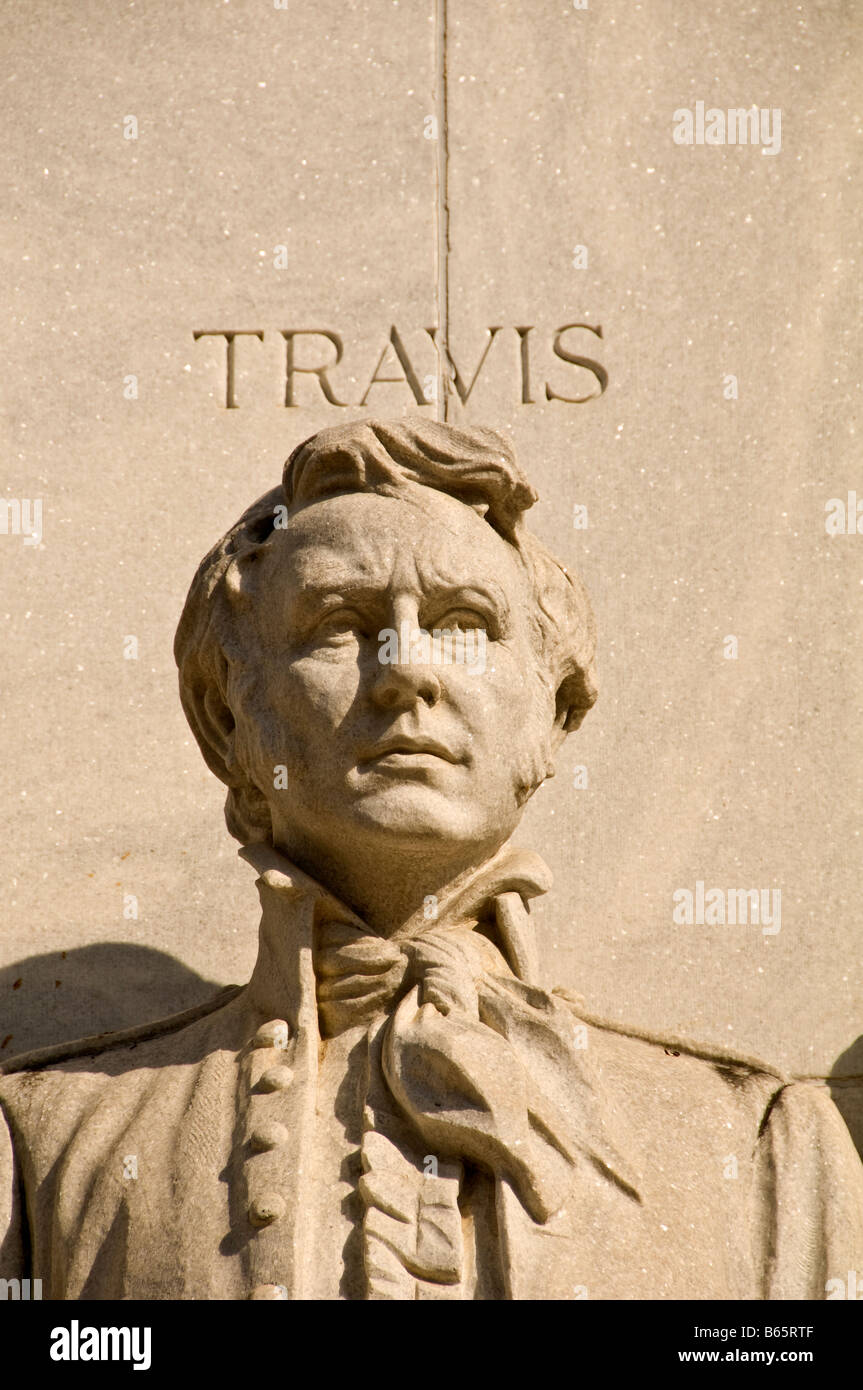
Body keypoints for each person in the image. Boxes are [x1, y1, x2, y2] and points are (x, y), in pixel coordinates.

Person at [2, 418, 861, 1300]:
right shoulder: (55, 1150)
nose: (406, 667)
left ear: (551, 710)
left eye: (462, 624)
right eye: (338, 625)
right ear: (231, 719)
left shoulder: (754, 1153)